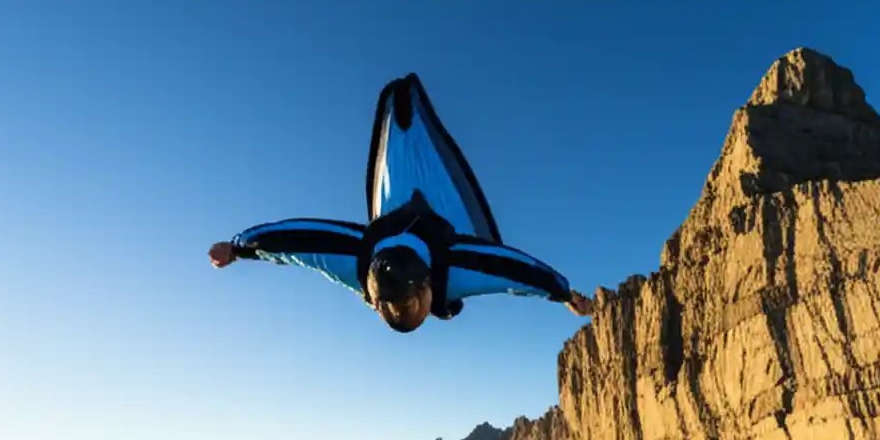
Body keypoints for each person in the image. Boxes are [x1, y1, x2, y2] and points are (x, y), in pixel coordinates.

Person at [208, 73, 593, 333]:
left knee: (407, 121)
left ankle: (404, 112)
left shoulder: (453, 267)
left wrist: (241, 247)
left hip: (436, 220)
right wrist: (239, 248)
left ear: (427, 287)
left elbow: (297, 242)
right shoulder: (362, 266)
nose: (408, 312)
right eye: (403, 309)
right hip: (408, 231)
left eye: (410, 307)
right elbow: (293, 244)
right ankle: (407, 112)